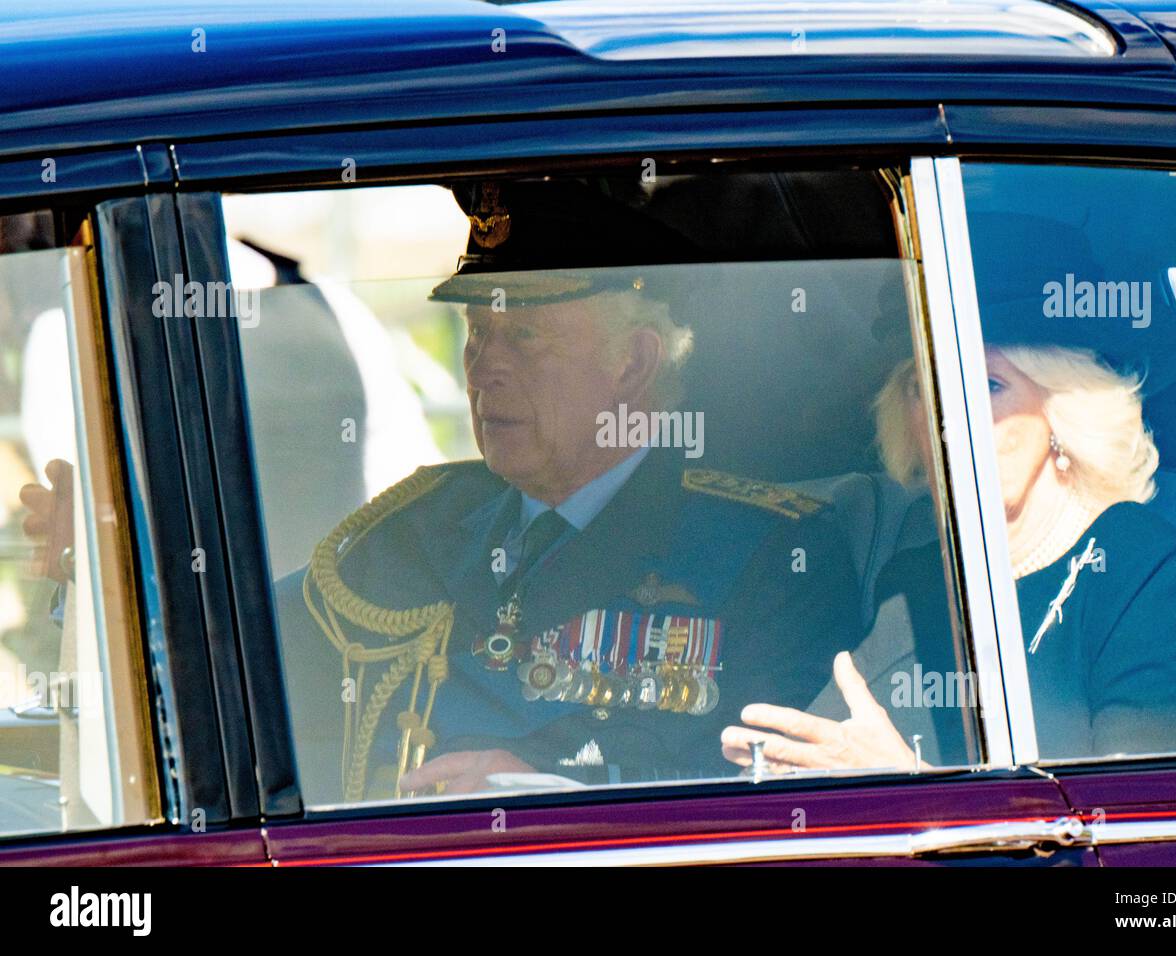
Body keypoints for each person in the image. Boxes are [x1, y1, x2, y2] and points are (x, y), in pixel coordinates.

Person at [273, 180, 863, 803]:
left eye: (524, 337)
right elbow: (248, 669)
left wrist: (551, 786)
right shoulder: (422, 519)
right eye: (478, 333)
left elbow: (769, 792)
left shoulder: (772, 554)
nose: (482, 369)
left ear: (633, 364)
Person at [722, 218, 1176, 769]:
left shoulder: (1146, 572)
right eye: (922, 387)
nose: (945, 423)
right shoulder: (914, 580)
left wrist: (902, 786)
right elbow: (830, 747)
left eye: (987, 386)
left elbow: (1142, 830)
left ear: (1063, 407)